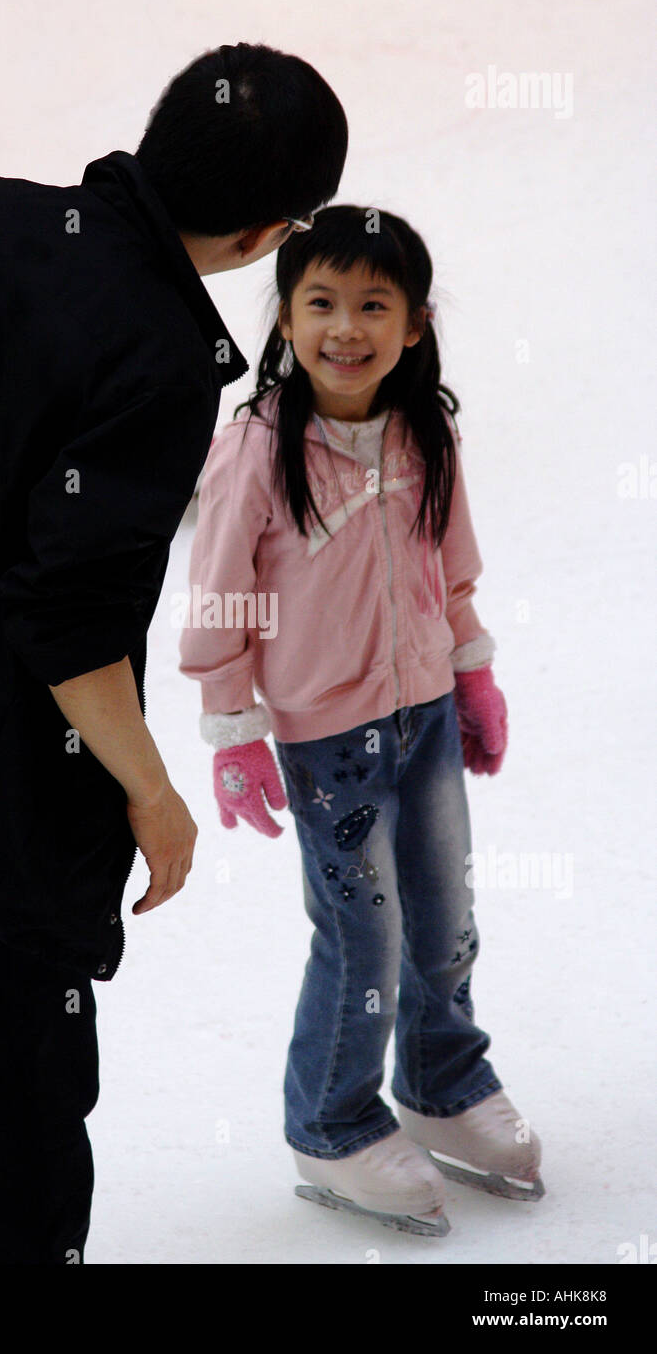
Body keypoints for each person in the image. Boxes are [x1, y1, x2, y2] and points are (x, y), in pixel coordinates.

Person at [0, 43, 348, 1264]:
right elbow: (66, 619)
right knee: (3, 1145)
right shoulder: (150, 351)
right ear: (269, 234)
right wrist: (154, 796)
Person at [178, 204, 545, 1237]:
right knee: (360, 934)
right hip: (324, 738)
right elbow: (216, 597)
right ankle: (331, 1121)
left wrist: (470, 674)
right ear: (286, 319)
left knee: (443, 912)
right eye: (321, 303)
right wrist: (232, 724)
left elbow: (449, 566)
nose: (346, 328)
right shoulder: (255, 448)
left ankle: (440, 1082)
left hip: (423, 708)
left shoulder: (427, 430)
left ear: (413, 324)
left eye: (372, 305)